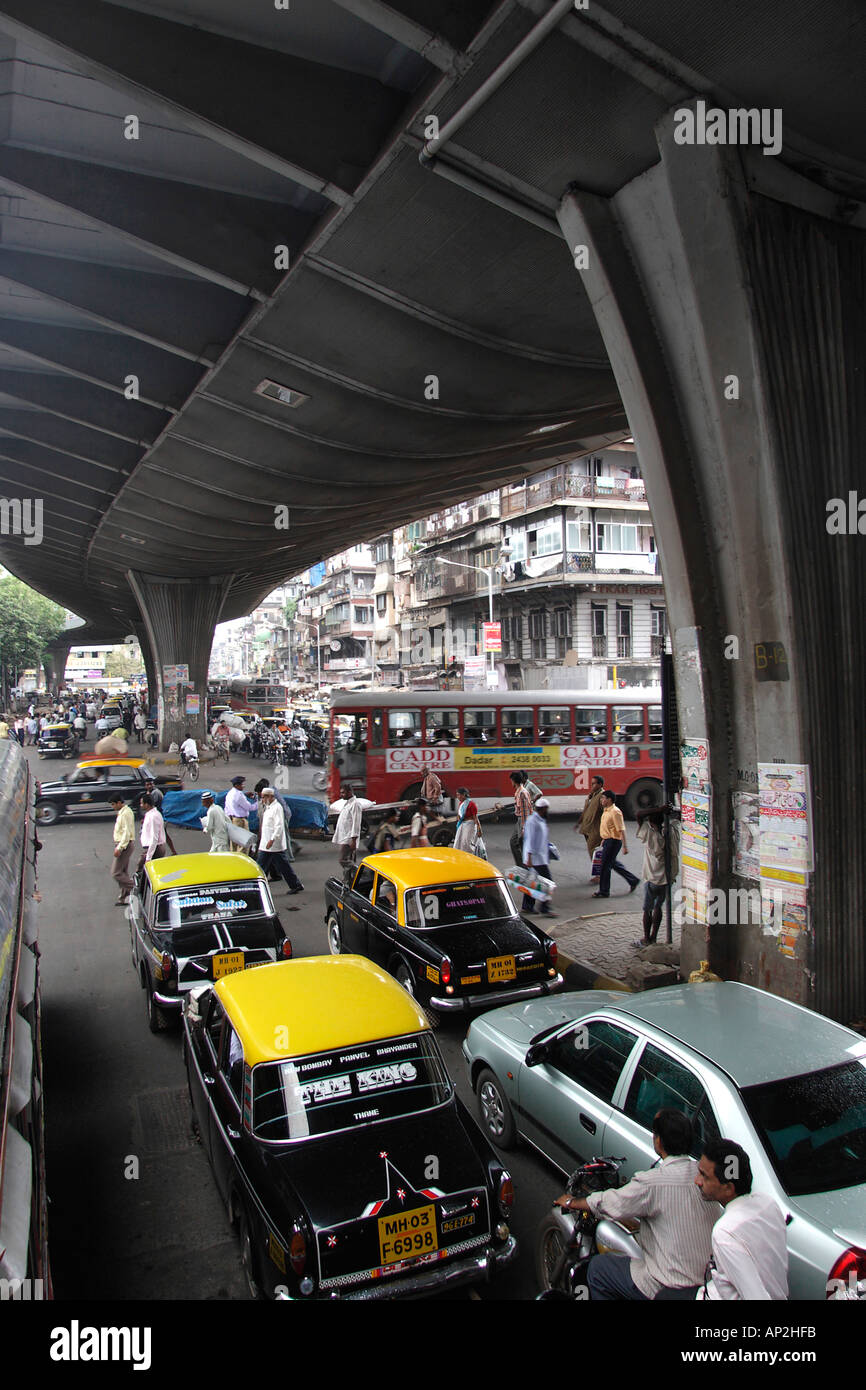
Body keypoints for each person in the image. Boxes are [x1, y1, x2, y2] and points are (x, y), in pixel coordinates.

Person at [559, 1109, 719, 1300]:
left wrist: (573, 1202)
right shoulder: (704, 1176)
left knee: (598, 1269)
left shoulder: (651, 1182)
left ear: (658, 1141)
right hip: (707, 1284)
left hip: (665, 1285)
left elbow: (612, 1203)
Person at [693, 1140, 788, 1300]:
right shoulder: (768, 1203)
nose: (697, 1181)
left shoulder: (725, 1233)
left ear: (728, 1188)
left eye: (705, 1176)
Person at [634, 804, 681, 948]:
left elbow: (639, 814)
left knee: (647, 909)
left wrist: (659, 808)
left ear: (651, 822)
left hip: (652, 877)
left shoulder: (650, 833)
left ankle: (646, 939)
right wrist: (668, 810)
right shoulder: (672, 830)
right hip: (667, 877)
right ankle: (654, 937)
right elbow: (679, 816)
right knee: (658, 907)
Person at [257, 787, 304, 894]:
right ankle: (294, 884)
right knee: (267, 865)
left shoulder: (277, 808)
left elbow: (279, 826)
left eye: (264, 797)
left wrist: (272, 839)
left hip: (273, 844)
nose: (262, 800)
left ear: (270, 797)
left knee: (265, 865)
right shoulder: (268, 807)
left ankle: (295, 885)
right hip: (267, 843)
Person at [593, 790, 640, 898]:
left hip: (613, 842)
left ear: (609, 799)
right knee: (612, 863)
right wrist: (604, 838)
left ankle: (604, 891)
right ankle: (633, 880)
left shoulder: (615, 812)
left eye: (603, 798)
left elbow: (621, 829)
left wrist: (625, 846)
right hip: (608, 840)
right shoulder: (606, 810)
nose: (601, 800)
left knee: (605, 866)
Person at [522, 796, 554, 916]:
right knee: (548, 882)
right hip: (535, 858)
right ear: (543, 809)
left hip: (540, 856)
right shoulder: (532, 821)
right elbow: (529, 840)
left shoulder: (541, 819)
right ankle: (545, 908)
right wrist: (529, 858)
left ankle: (527, 906)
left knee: (532, 881)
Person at [577, 775, 605, 876]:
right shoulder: (592, 795)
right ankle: (599, 873)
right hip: (588, 827)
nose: (592, 785)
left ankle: (599, 874)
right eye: (591, 783)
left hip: (596, 829)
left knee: (594, 851)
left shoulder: (602, 796)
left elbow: (605, 812)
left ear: (600, 784)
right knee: (592, 850)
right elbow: (586, 811)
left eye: (594, 784)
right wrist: (579, 822)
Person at [110, 795, 135, 905]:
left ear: (119, 803)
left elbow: (126, 832)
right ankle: (124, 897)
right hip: (124, 844)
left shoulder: (125, 813)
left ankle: (134, 888)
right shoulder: (123, 812)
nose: (113, 807)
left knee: (116, 873)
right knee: (123, 872)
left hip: (124, 845)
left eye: (113, 804)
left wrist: (119, 848)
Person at [143, 778, 177, 855]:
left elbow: (151, 806)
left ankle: (157, 851)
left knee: (157, 835)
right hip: (157, 816)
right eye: (148, 784)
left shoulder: (155, 793)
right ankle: (172, 851)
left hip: (158, 817)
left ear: (153, 784)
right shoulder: (150, 792)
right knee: (163, 834)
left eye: (151, 784)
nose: (149, 786)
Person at [225, 775, 257, 853]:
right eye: (242, 784)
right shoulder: (239, 795)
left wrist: (245, 795)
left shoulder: (230, 793)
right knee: (244, 843)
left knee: (234, 843)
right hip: (240, 821)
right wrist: (259, 802)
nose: (243, 786)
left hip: (232, 819)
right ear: (237, 785)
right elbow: (250, 807)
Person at [333, 785, 362, 868]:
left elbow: (356, 823)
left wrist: (353, 841)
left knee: (343, 860)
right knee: (349, 859)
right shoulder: (347, 803)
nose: (341, 795)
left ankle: (359, 873)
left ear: (349, 792)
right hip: (345, 837)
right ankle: (349, 878)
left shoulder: (355, 805)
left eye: (343, 793)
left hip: (349, 839)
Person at [137, 794, 167, 871]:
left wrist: (148, 857)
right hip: (154, 848)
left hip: (156, 848)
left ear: (146, 804)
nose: (140, 805)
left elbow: (154, 837)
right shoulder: (151, 814)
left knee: (142, 868)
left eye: (142, 803)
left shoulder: (153, 817)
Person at [453, 787, 481, 853]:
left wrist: (479, 829)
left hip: (470, 824)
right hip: (462, 824)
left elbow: (475, 817)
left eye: (459, 795)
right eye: (457, 795)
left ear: (464, 794)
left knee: (467, 842)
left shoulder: (472, 804)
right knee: (458, 841)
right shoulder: (461, 804)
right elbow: (459, 815)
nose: (457, 797)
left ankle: (469, 856)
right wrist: (458, 817)